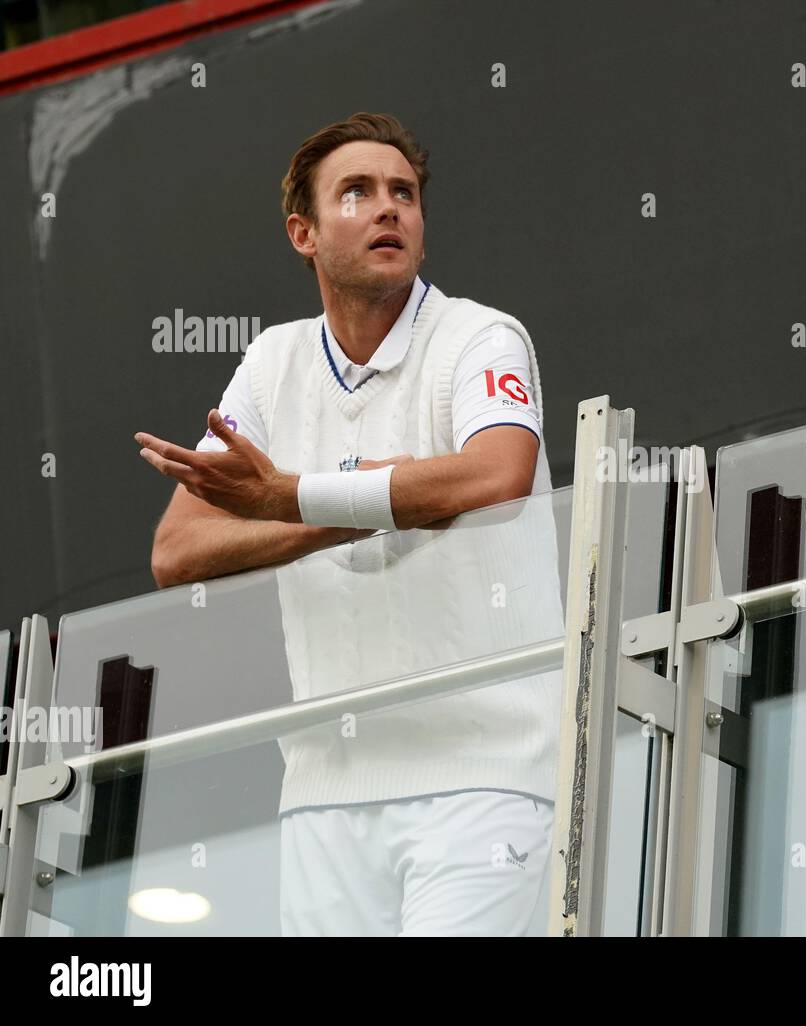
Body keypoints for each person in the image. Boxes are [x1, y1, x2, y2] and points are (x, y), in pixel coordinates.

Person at [136, 112, 562, 936]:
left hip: (491, 772)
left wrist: (295, 495)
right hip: (325, 786)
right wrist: (337, 515)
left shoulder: (483, 336)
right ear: (304, 232)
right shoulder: (270, 362)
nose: (388, 208)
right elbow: (178, 548)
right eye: (357, 192)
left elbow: (495, 474)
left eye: (404, 193)